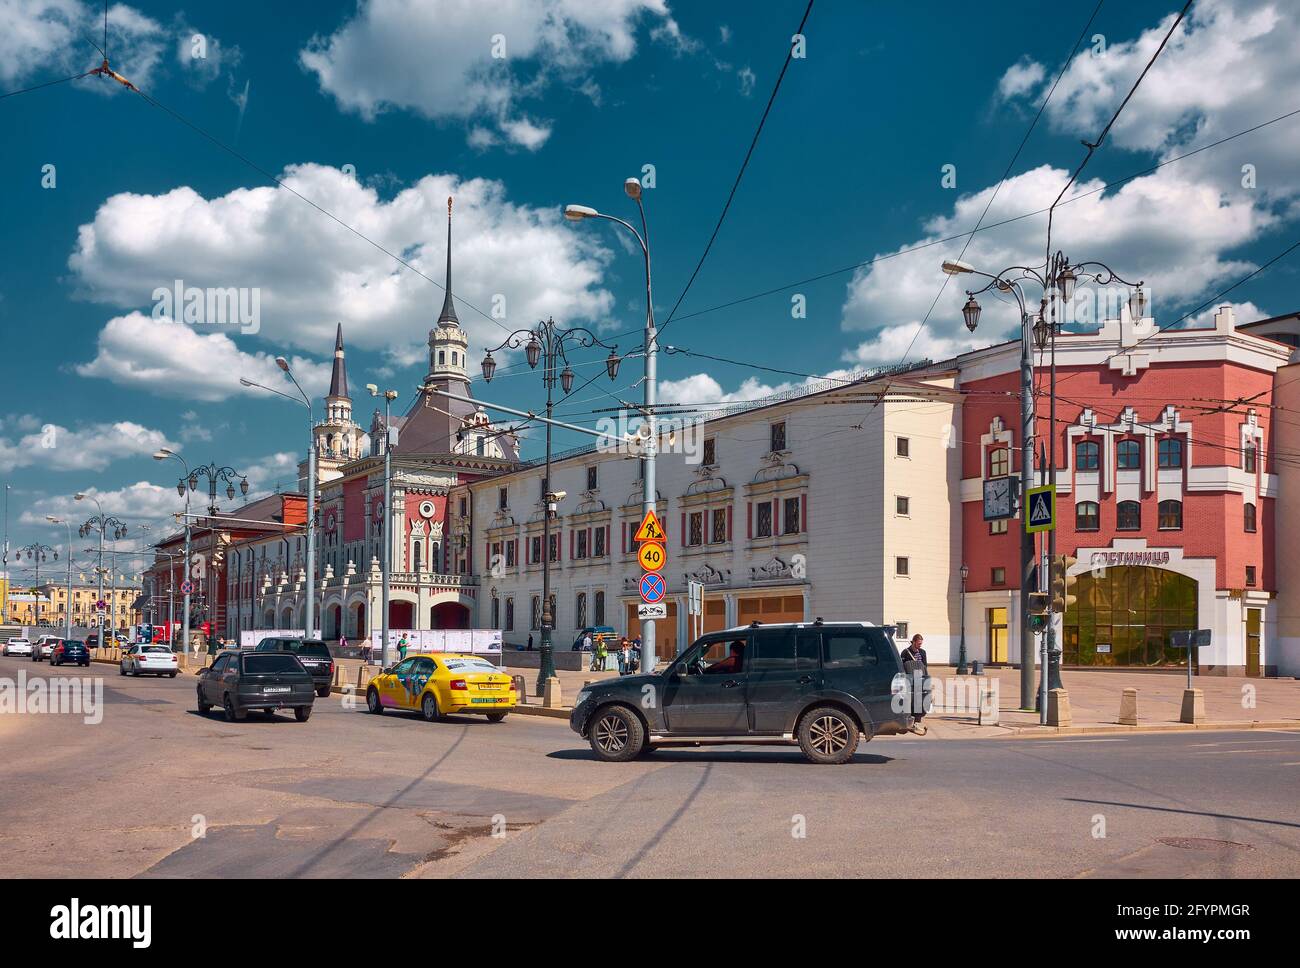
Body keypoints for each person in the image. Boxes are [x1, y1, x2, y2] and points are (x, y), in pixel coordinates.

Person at [901, 633, 930, 734]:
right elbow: (902, 667)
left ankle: (917, 719)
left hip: (920, 678)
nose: (920, 646)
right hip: (909, 679)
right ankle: (910, 717)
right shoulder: (905, 652)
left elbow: (925, 666)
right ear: (913, 642)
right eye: (918, 644)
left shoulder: (922, 652)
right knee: (910, 698)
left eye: (921, 644)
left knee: (919, 698)